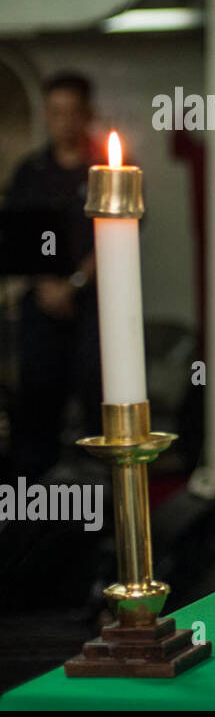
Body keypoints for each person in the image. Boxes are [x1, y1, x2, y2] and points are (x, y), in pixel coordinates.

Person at [5, 72, 101, 481]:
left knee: (100, 402)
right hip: (40, 304)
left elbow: (118, 235)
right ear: (46, 115)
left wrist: (75, 284)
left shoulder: (107, 171)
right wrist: (47, 285)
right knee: (36, 408)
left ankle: (105, 512)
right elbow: (17, 236)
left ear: (87, 115)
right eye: (56, 113)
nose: (64, 122)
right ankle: (34, 519)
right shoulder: (30, 173)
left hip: (93, 303)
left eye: (72, 113)